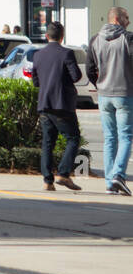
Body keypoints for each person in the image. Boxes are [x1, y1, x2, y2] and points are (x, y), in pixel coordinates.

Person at [87, 7, 133, 196]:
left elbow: (90, 69)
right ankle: (118, 175)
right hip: (124, 93)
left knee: (110, 139)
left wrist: (100, 85)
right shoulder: (128, 39)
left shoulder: (95, 39)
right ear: (117, 19)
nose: (128, 21)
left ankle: (109, 183)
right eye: (126, 18)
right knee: (126, 136)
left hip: (104, 95)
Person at [33, 21, 83, 192]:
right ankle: (63, 173)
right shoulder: (66, 53)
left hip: (44, 104)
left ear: (47, 36)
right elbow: (76, 76)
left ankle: (48, 181)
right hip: (62, 104)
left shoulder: (38, 55)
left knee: (47, 142)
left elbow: (35, 81)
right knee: (73, 138)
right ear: (62, 37)